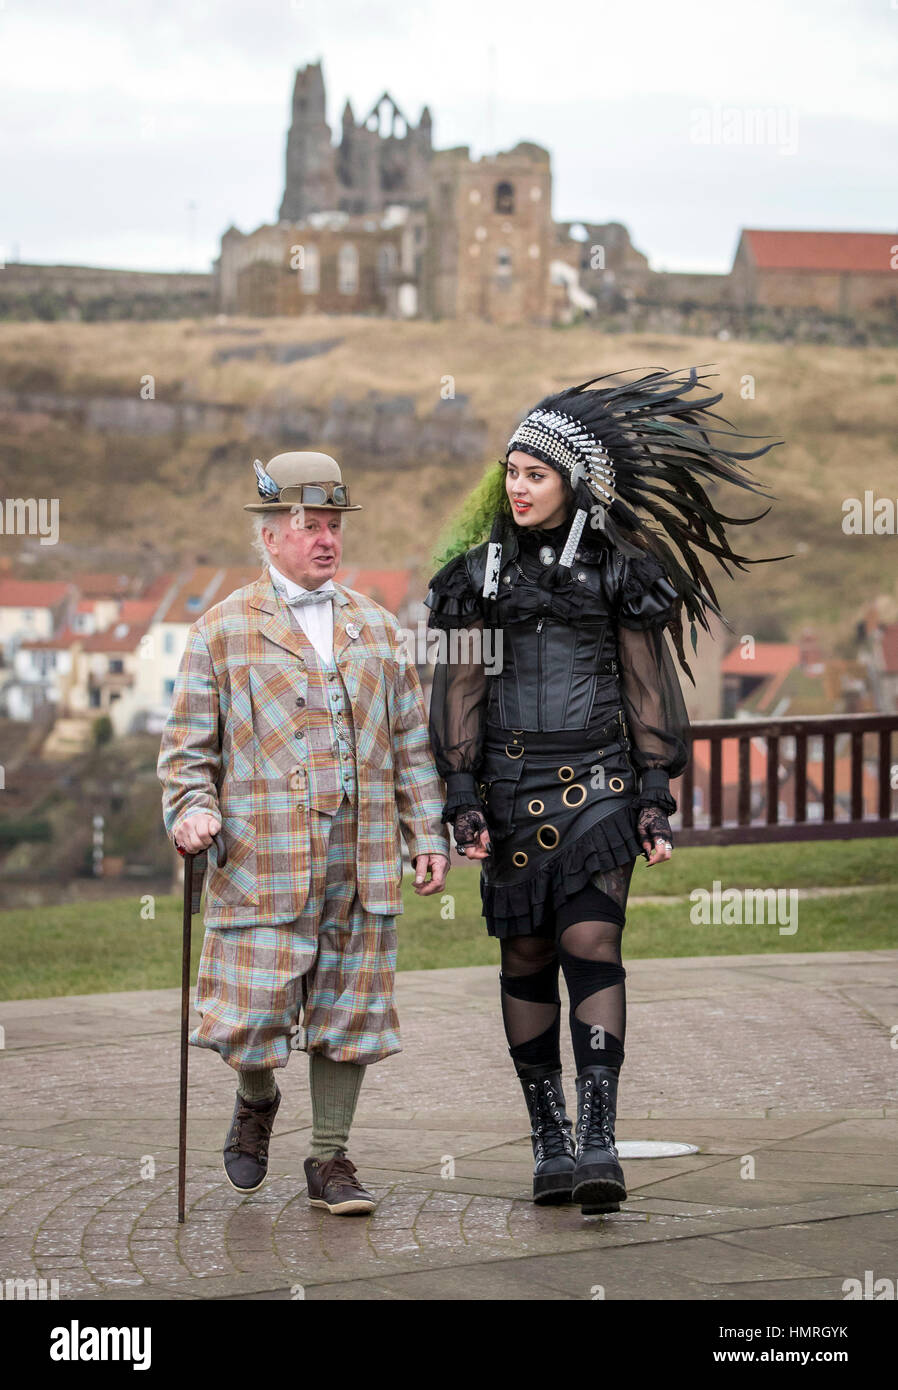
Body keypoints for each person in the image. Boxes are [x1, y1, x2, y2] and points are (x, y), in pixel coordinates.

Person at [424, 366, 785, 1214]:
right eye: (512, 472)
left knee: (592, 941)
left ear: (573, 483)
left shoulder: (622, 575)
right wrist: (461, 794)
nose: (517, 488)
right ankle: (547, 1140)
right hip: (509, 790)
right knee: (526, 955)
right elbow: (458, 694)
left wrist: (655, 793)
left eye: (536, 474)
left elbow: (647, 685)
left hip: (600, 785)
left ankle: (598, 1137)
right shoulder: (474, 582)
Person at [158, 451, 450, 1216]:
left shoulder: (379, 628)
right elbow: (187, 754)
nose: (327, 540)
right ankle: (256, 1098)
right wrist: (192, 808)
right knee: (250, 1014)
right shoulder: (219, 633)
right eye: (309, 526)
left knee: (350, 1011)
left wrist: (428, 835)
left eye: (333, 526)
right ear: (269, 535)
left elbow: (413, 747)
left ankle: (330, 1159)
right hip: (261, 860)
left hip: (363, 857)